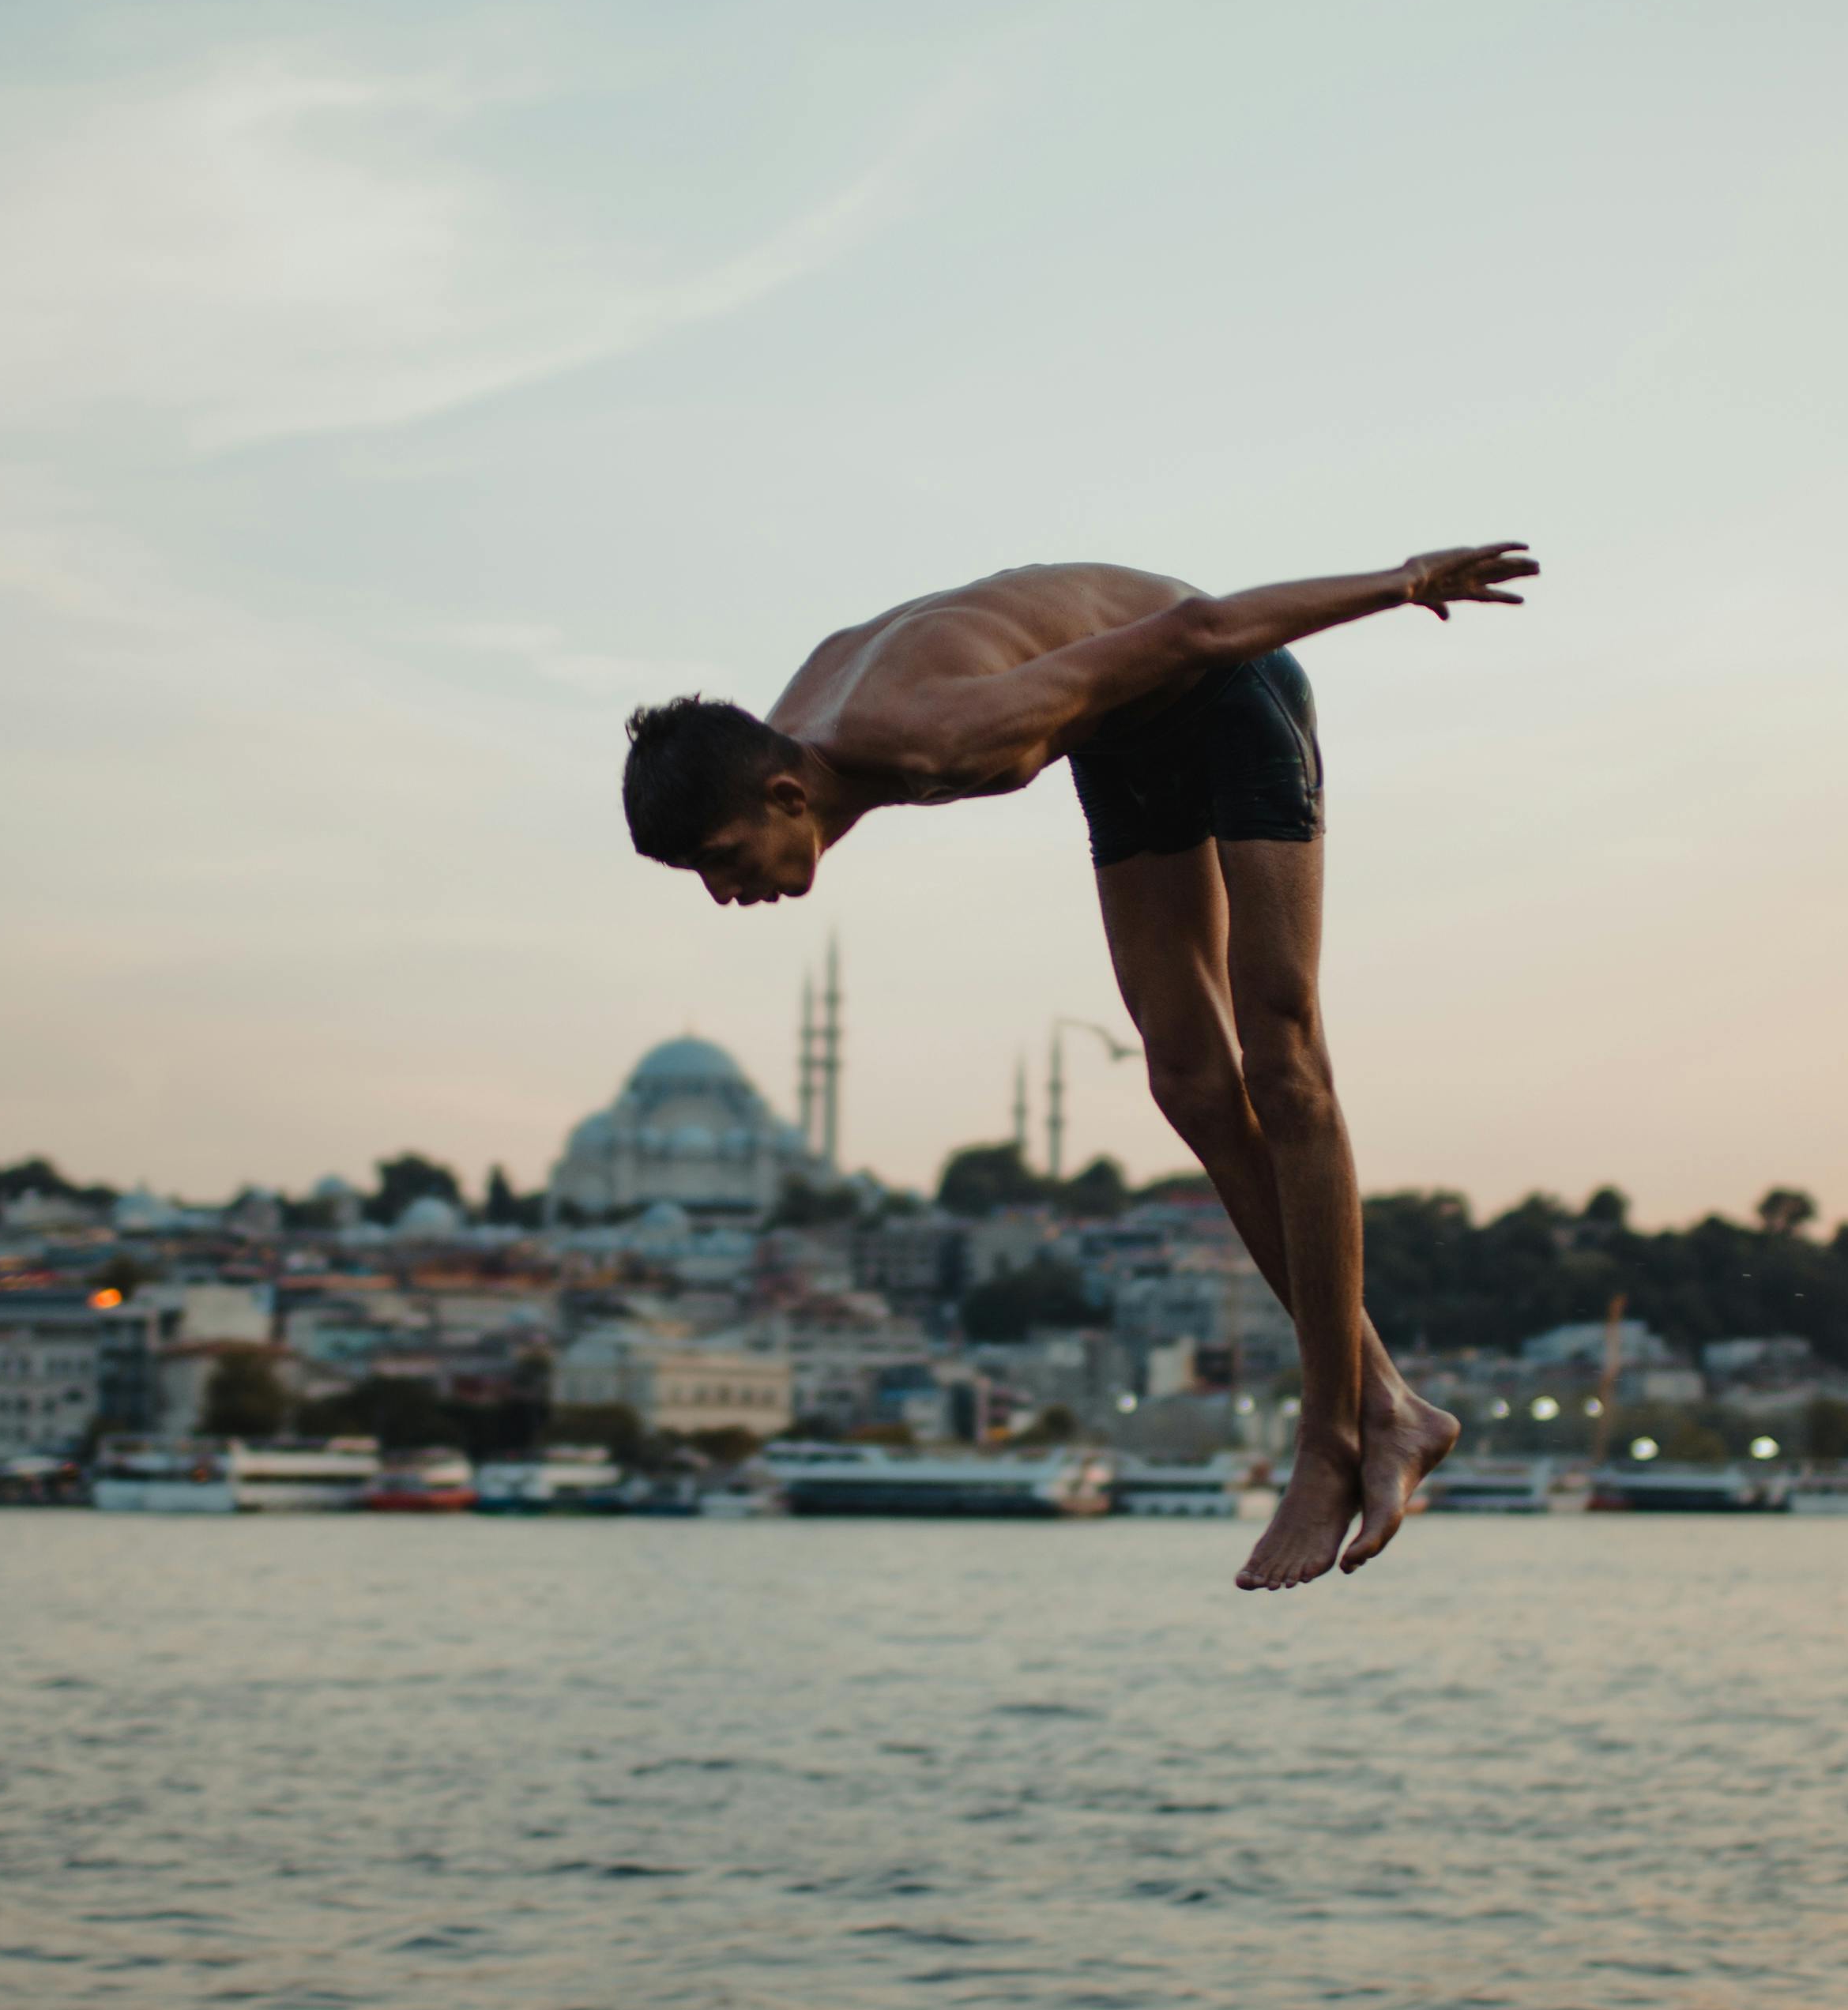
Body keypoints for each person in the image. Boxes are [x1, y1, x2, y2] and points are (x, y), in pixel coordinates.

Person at [619, 546, 1537, 1589]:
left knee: (1280, 1060)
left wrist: (1403, 583)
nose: (725, 894)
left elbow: (1197, 633)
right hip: (1122, 740)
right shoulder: (787, 742)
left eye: (725, 859)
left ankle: (1329, 1441)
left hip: (1228, 693)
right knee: (1187, 1082)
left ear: (785, 795)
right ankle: (1390, 1405)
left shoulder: (925, 730)